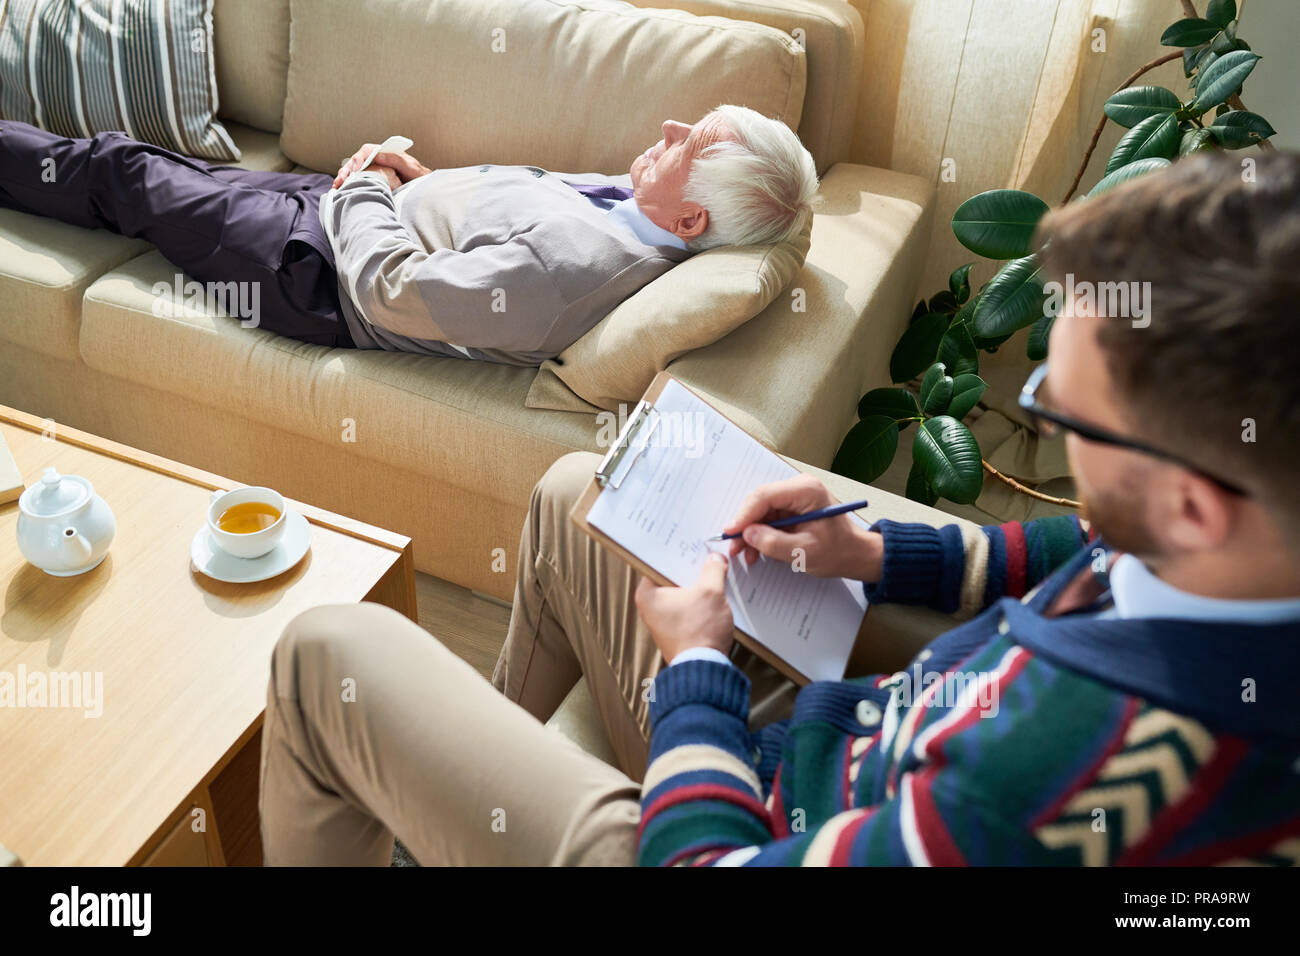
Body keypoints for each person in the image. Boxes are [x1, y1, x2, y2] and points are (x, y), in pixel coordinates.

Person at [258, 152, 1300, 866]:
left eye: (1057, 405)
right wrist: (866, 551)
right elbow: (1066, 546)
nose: (1041, 418)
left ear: (1195, 504)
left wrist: (696, 671)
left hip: (747, 833)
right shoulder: (1218, 546)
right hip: (830, 755)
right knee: (585, 489)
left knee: (325, 658)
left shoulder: (1055, 775)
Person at [0, 104, 816, 361]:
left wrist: (363, 190)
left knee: (121, 172)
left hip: (313, 268)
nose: (670, 123)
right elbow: (499, 219)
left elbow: (393, 295)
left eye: (690, 141)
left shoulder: (576, 271)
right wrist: (402, 178)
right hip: (341, 208)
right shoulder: (632, 206)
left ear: (692, 222)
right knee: (131, 176)